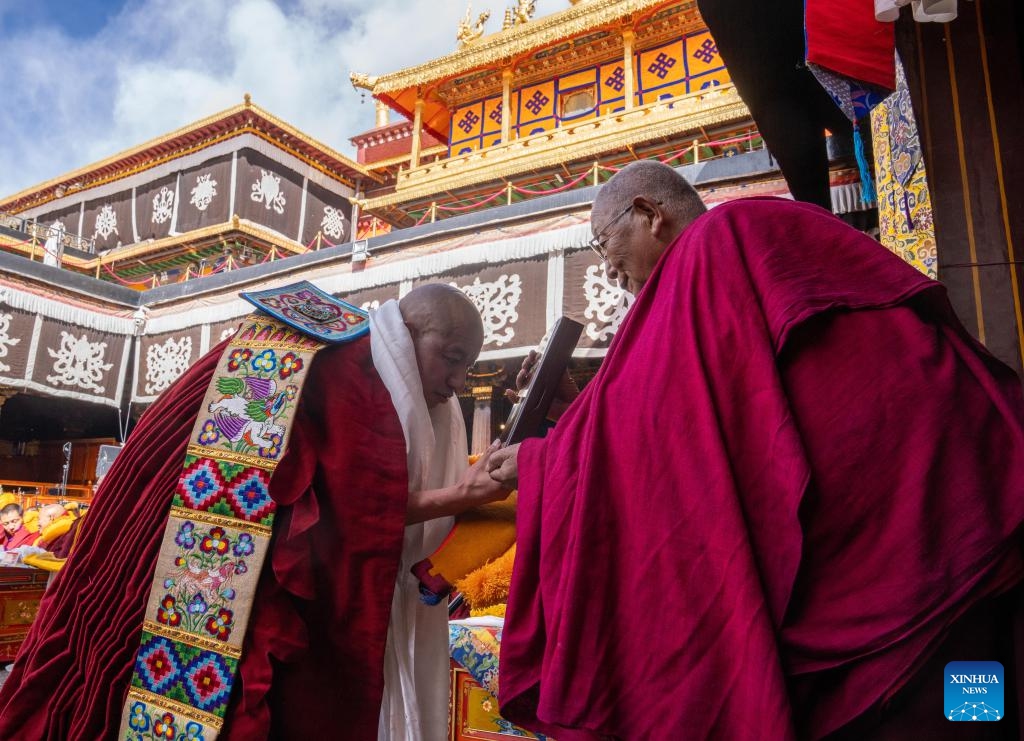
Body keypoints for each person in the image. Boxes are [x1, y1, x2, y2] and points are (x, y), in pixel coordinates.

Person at [488, 160, 1024, 740]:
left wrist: (540, 462)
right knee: (977, 703)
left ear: (649, 215)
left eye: (605, 246)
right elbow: (707, 413)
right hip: (965, 518)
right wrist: (575, 413)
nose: (612, 276)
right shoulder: (764, 230)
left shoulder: (716, 244)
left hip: (903, 547)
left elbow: (668, 417)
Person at [0, 282, 511, 740]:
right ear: (410, 331)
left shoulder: (352, 355)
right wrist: (460, 496)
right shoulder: (344, 373)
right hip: (205, 565)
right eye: (451, 358)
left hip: (212, 552)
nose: (459, 382)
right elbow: (348, 511)